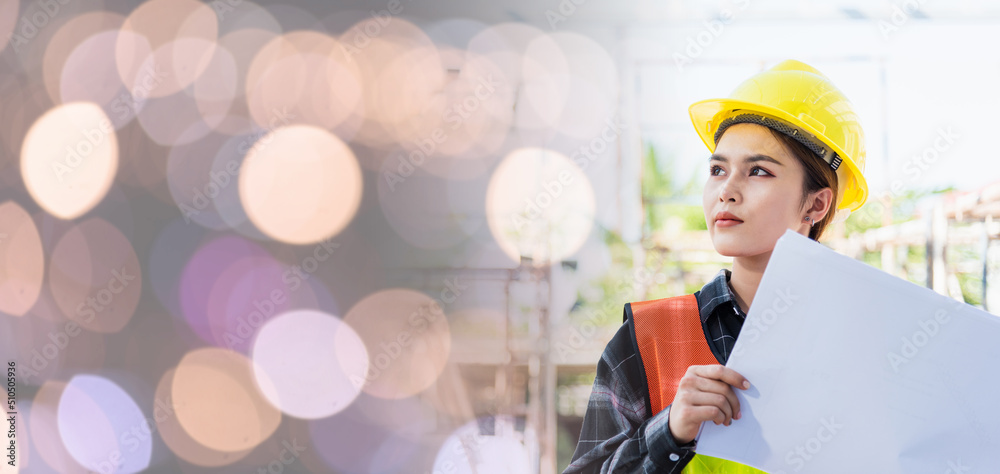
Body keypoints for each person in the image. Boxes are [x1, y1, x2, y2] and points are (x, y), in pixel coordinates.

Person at [563, 59, 869, 473]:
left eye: (758, 171)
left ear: (816, 203)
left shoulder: (867, 339)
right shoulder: (648, 339)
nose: (726, 190)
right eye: (717, 170)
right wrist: (669, 432)